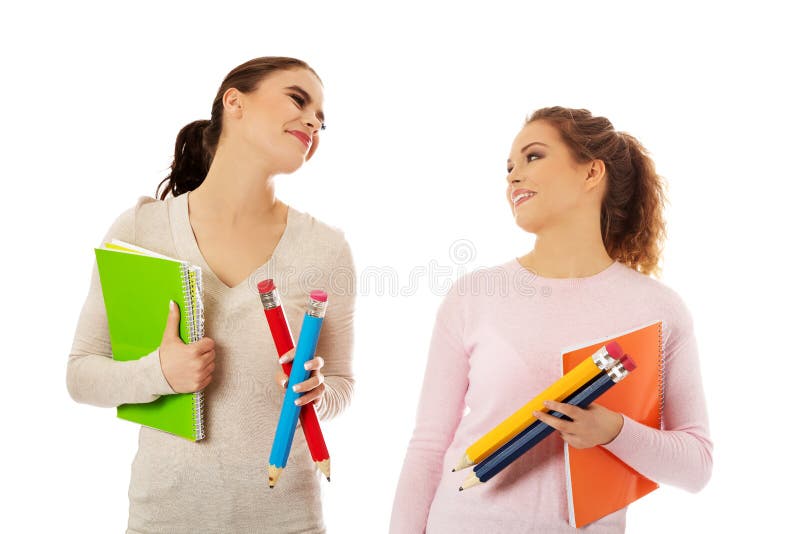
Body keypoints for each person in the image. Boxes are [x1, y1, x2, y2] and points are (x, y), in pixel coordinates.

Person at [66, 56, 356, 534]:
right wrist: (159, 374)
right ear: (234, 102)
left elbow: (341, 382)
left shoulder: (326, 248)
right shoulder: (142, 230)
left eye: (321, 120)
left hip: (288, 520)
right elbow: (81, 375)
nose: (313, 123)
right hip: (163, 522)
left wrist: (316, 396)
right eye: (298, 100)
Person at [389, 106, 712, 533]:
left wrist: (614, 431)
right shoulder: (474, 295)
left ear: (591, 172)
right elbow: (428, 447)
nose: (513, 177)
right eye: (508, 167)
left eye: (533, 156)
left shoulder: (659, 309)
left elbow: (697, 466)